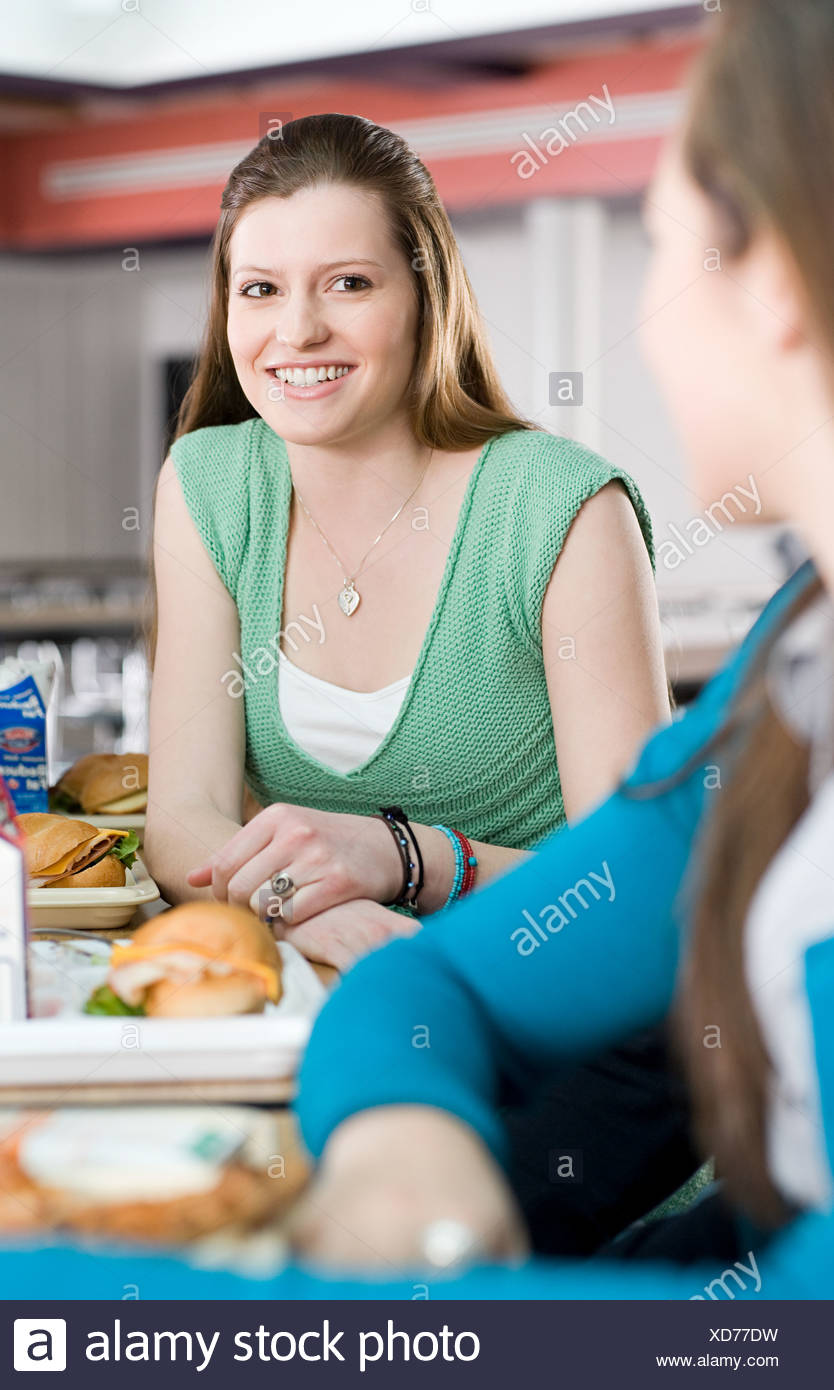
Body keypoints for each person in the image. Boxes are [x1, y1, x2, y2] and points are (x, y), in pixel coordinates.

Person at [283, 0, 834, 1285]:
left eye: (656, 242)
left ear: (770, 283)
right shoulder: (793, 664)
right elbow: (439, 994)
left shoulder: (563, 509)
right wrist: (399, 1135)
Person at [143, 111, 669, 975]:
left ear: (427, 299)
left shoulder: (558, 506)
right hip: (319, 990)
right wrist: (295, 913)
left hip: (556, 996)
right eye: (261, 289)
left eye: (348, 283)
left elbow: (630, 883)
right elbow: (185, 817)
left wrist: (405, 860)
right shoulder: (207, 484)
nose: (299, 331)